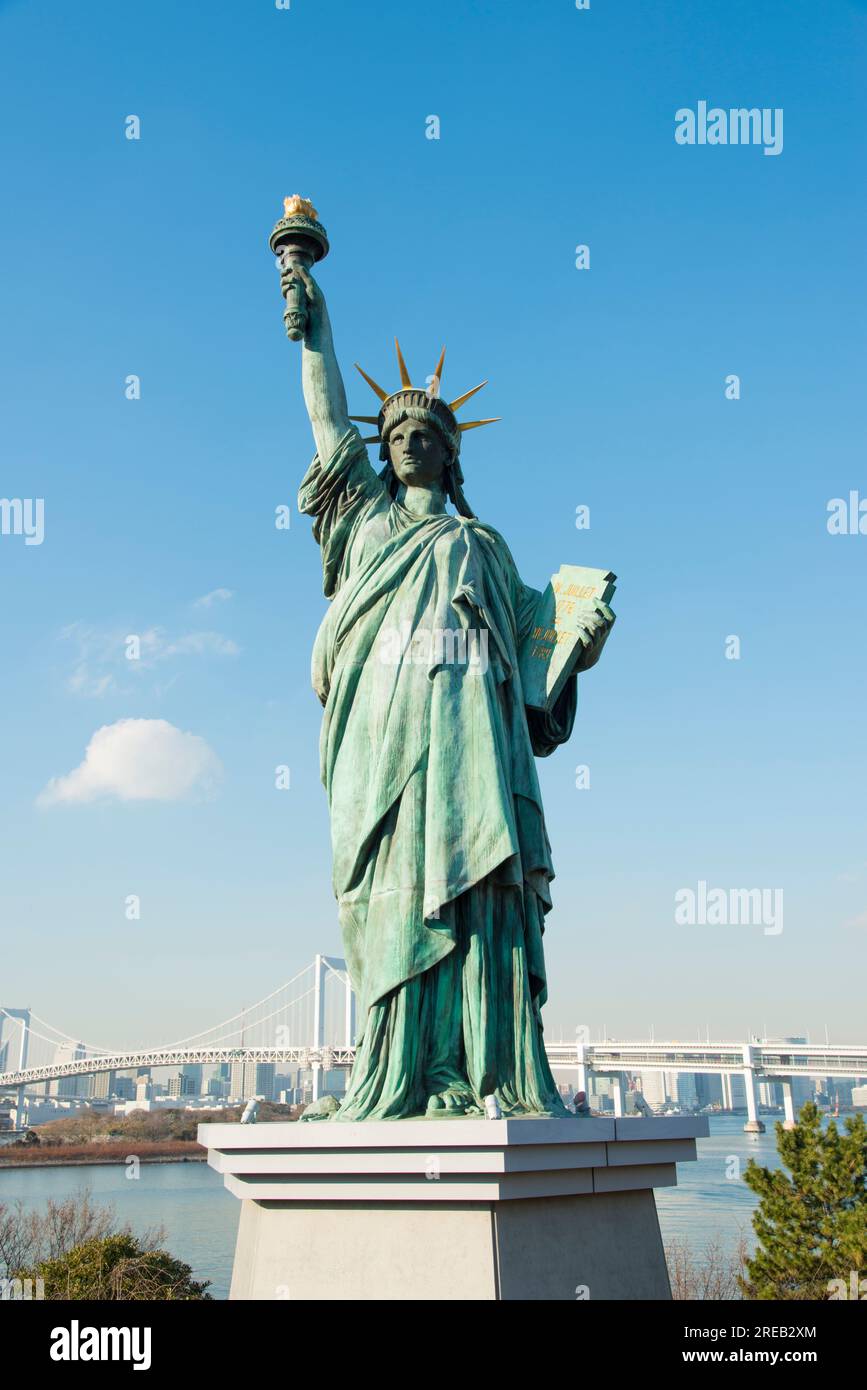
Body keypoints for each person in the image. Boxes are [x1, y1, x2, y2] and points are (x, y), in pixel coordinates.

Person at [287, 262, 614, 1120]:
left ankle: (482, 1068)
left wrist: (581, 641)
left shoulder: (484, 545)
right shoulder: (360, 518)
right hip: (377, 732)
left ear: (449, 450)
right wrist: (314, 321)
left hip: (470, 738)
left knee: (477, 887)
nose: (406, 440)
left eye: (424, 433)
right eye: (392, 432)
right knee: (385, 896)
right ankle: (391, 1072)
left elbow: (535, 668)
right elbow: (326, 417)